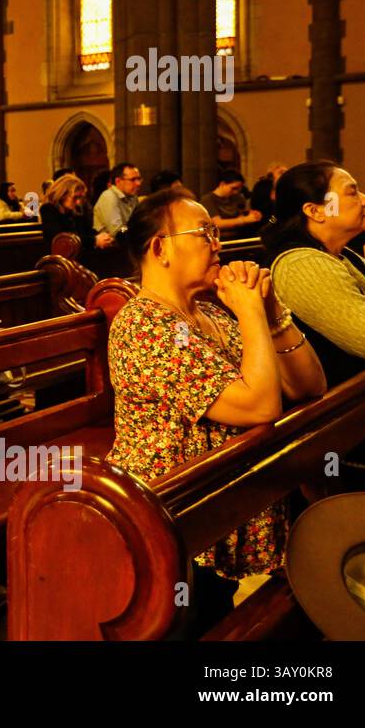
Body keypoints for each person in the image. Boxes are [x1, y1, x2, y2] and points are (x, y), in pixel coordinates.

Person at [107, 190, 325, 632]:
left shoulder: (209, 314)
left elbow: (308, 386)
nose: (217, 242)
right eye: (203, 232)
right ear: (160, 248)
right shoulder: (144, 323)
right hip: (173, 514)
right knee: (191, 621)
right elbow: (260, 405)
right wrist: (248, 312)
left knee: (215, 613)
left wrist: (271, 310)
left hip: (217, 502)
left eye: (214, 231)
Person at [265, 162, 365, 492]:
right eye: (352, 191)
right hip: (327, 435)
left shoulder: (343, 256)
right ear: (316, 210)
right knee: (339, 518)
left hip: (351, 418)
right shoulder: (303, 265)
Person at [40, 173, 111, 250]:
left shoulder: (75, 210)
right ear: (63, 195)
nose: (78, 202)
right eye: (75, 197)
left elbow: (87, 230)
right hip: (61, 256)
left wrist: (102, 236)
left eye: (80, 197)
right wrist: (94, 240)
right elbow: (62, 238)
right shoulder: (48, 209)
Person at [201, 170, 264, 238]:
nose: (236, 192)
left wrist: (252, 214)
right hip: (221, 238)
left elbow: (243, 213)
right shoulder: (208, 200)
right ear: (222, 184)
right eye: (234, 188)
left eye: (239, 189)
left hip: (240, 236)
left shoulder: (238, 197)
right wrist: (244, 220)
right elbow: (217, 223)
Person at [92, 162, 142, 241]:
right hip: (109, 248)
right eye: (133, 180)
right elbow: (118, 231)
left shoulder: (132, 197)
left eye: (139, 179)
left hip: (127, 242)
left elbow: (139, 220)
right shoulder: (109, 197)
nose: (138, 183)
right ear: (118, 181)